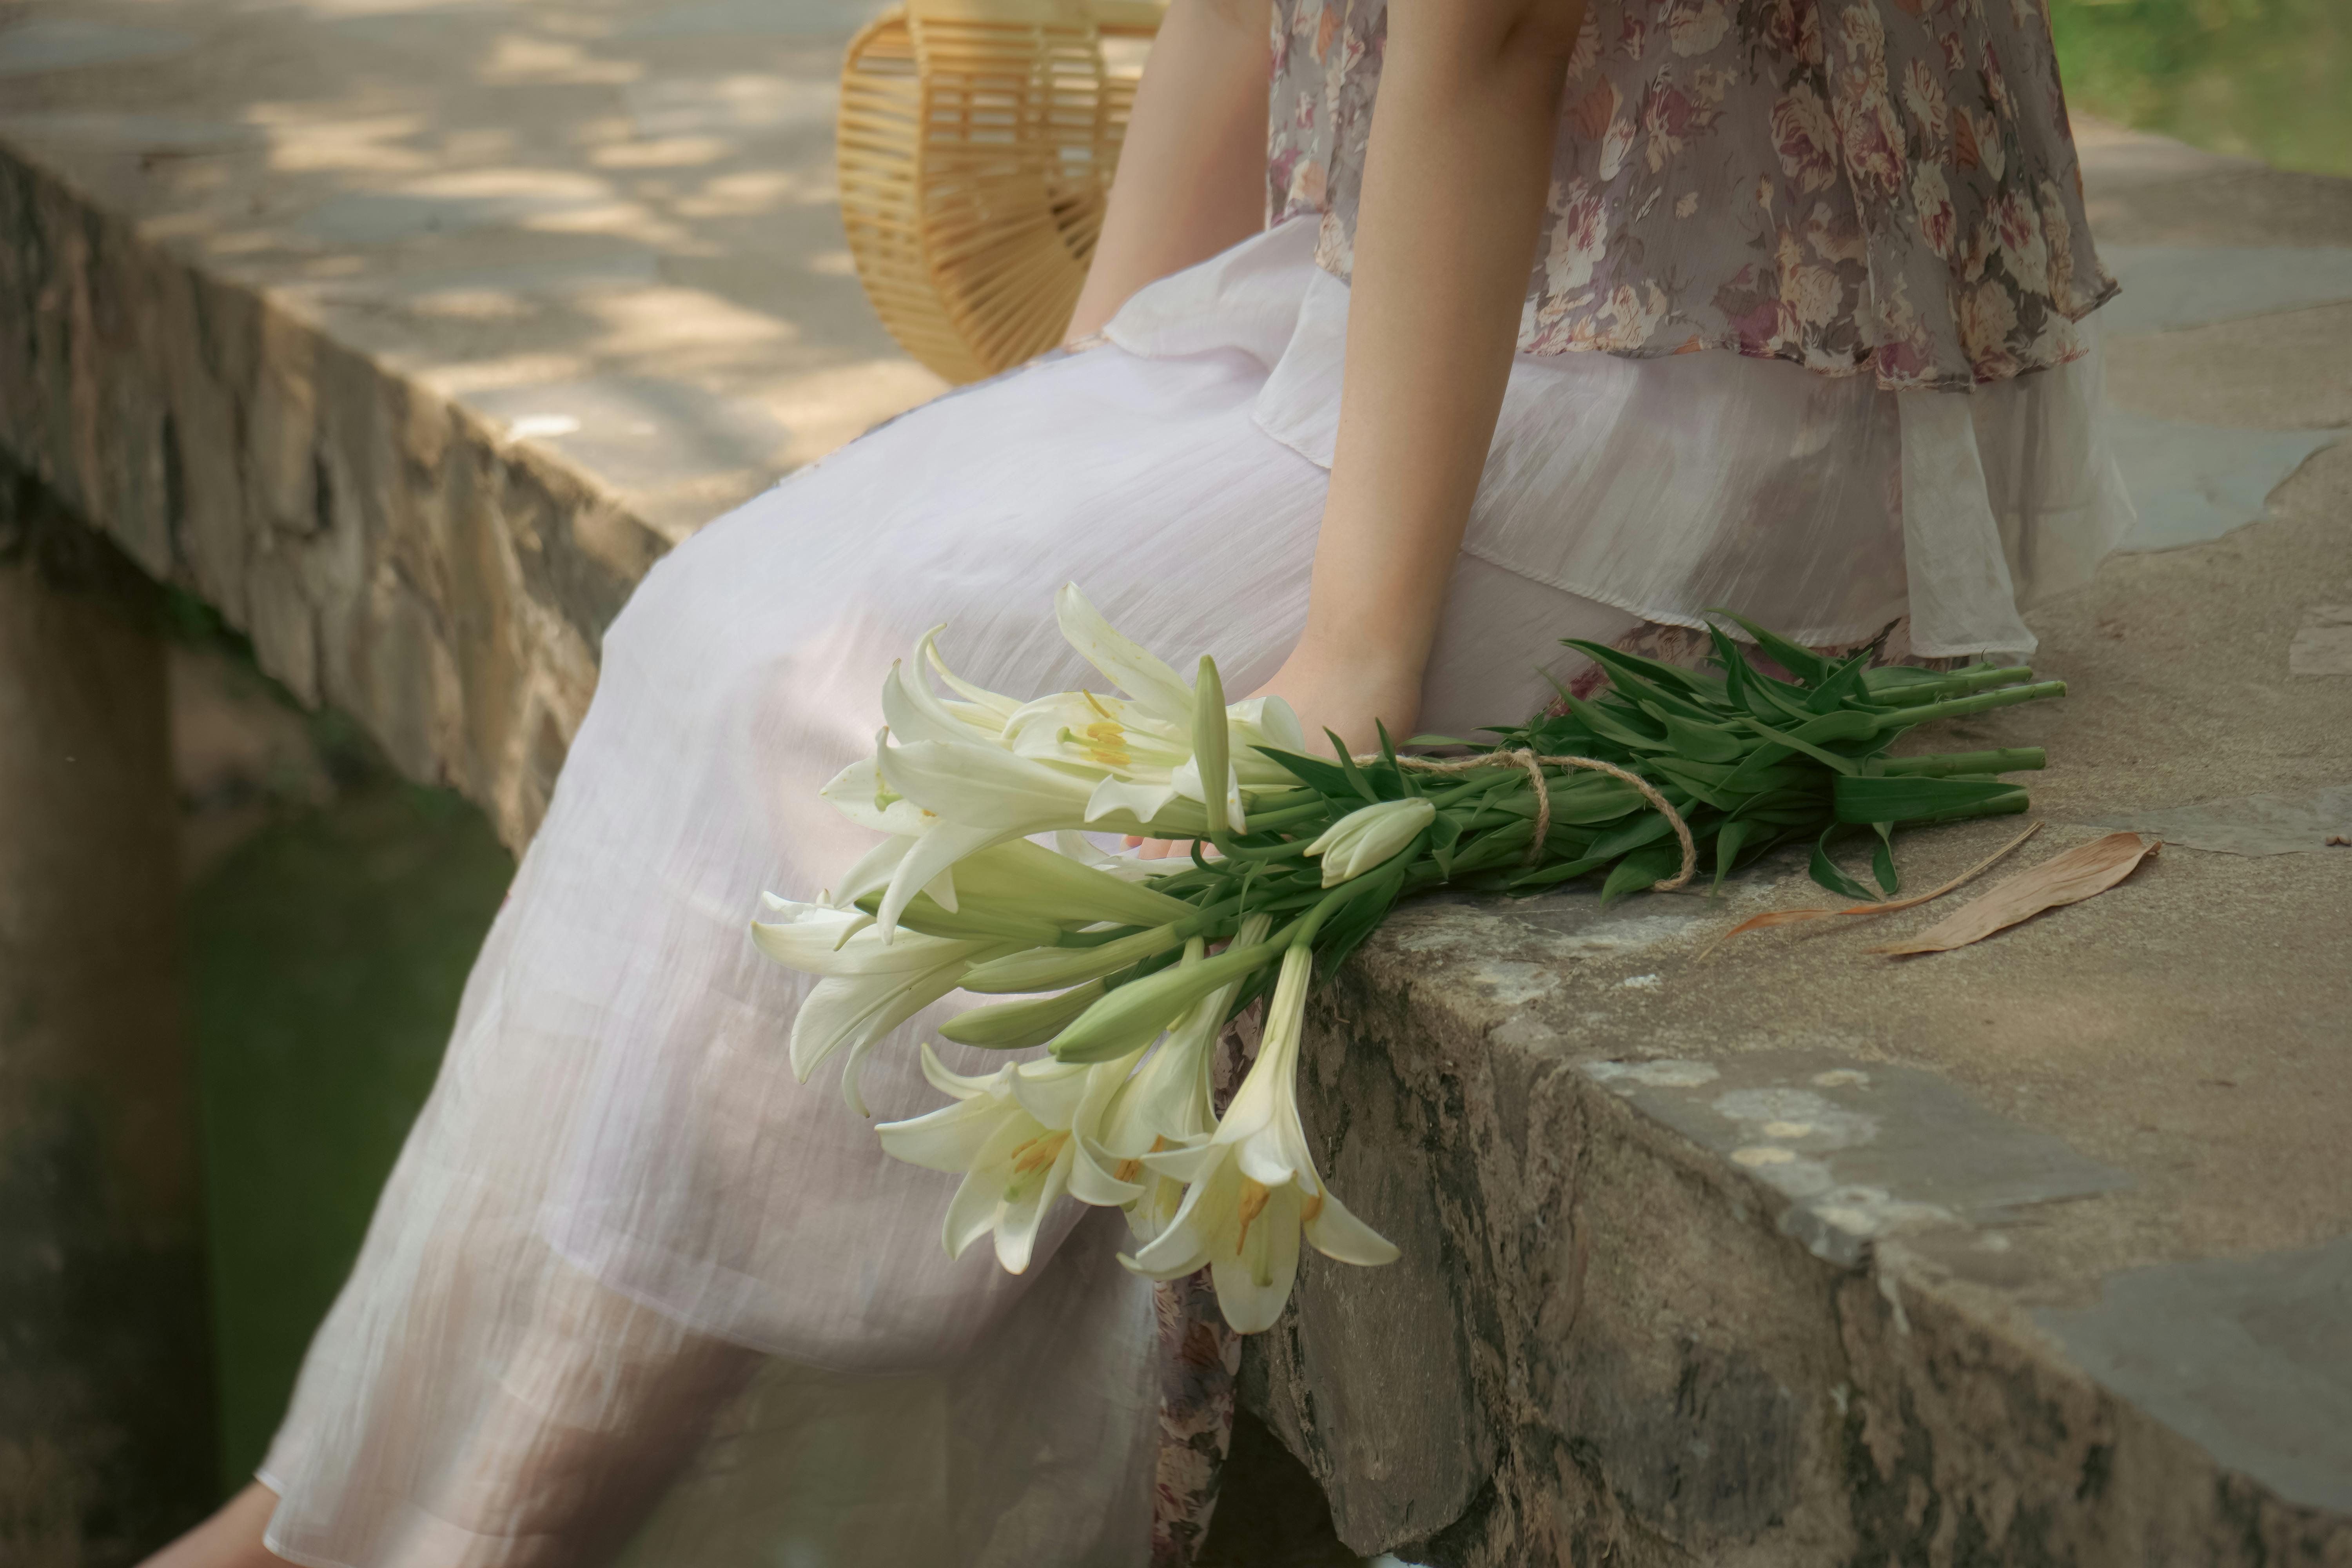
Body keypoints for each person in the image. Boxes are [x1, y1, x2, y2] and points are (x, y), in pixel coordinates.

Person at [147, 0, 2129, 1561]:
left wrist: (1357, 656)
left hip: (1712, 381)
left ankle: (421, 1542)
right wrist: (1059, 420)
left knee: (820, 673)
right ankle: (354, 1524)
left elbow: (1502, 30)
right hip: (1417, 298)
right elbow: (1236, 17)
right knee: (729, 632)